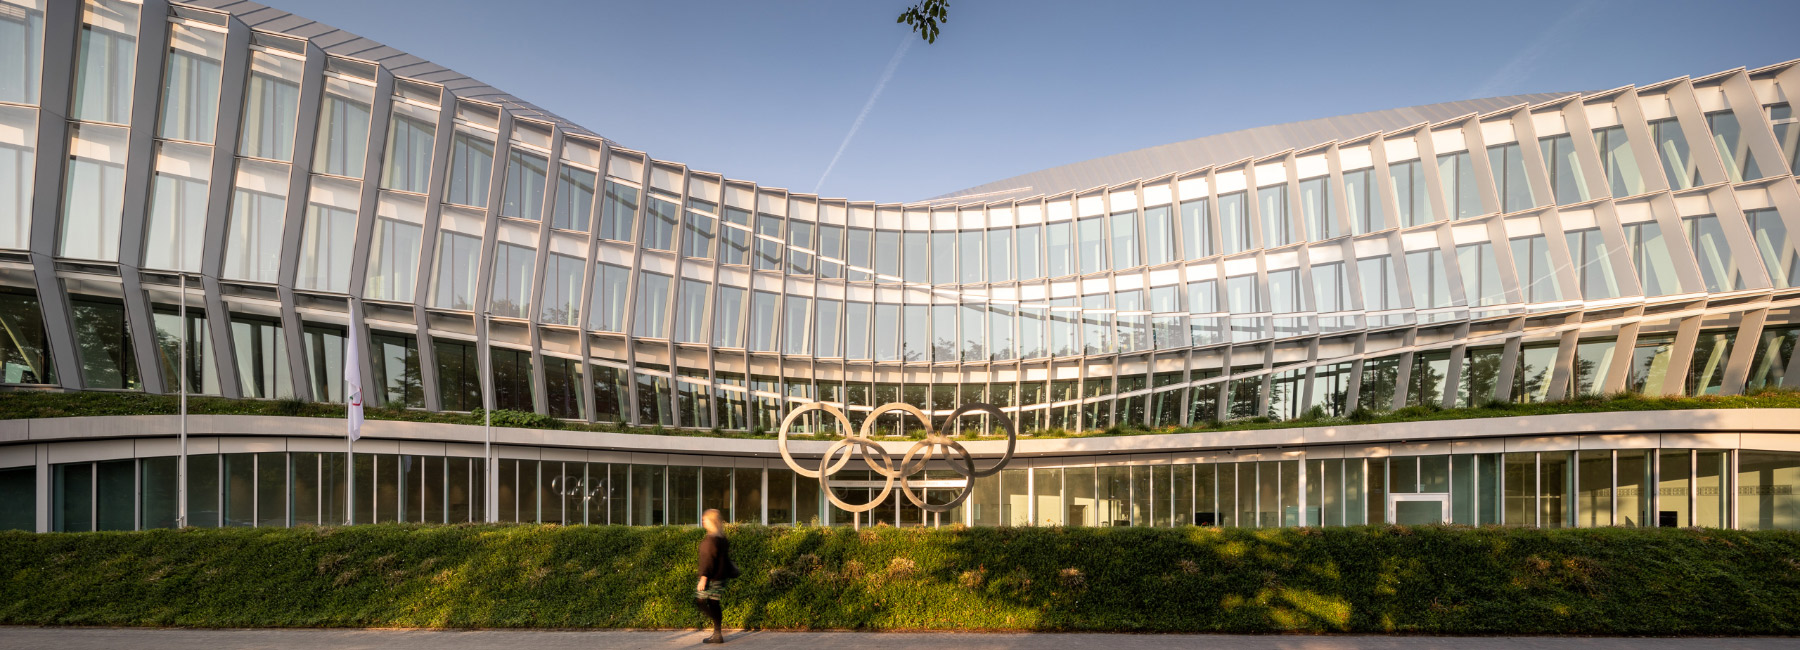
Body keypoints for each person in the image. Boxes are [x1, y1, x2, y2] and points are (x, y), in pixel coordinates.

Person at [695, 509, 738, 644]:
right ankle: (718, 633)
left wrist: (703, 577)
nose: (703, 522)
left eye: (705, 519)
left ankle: (718, 630)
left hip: (711, 578)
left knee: (701, 601)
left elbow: (708, 559)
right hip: (720, 577)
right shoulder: (721, 538)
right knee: (714, 603)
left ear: (712, 521)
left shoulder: (711, 539)